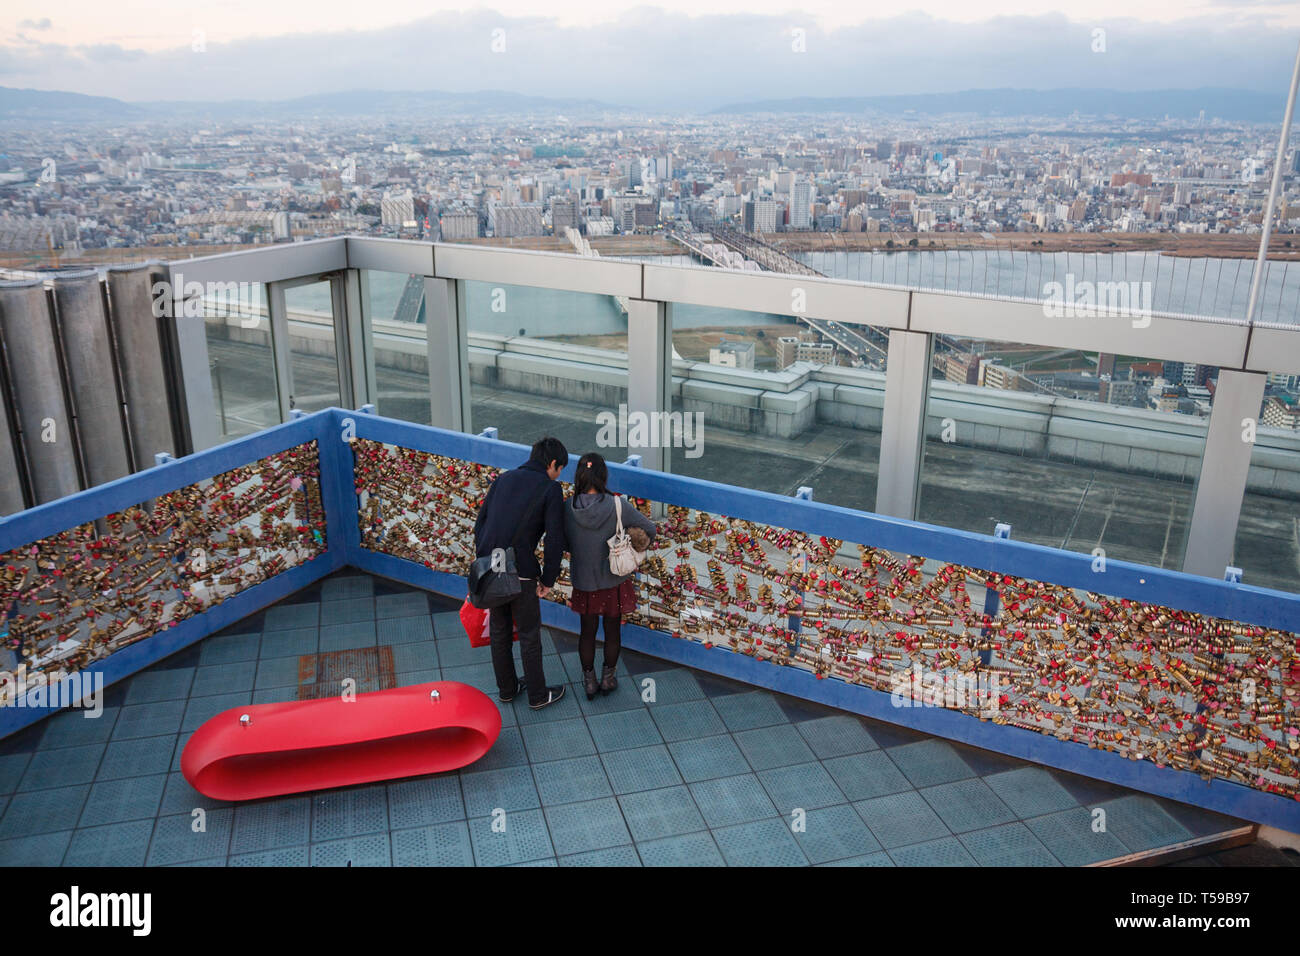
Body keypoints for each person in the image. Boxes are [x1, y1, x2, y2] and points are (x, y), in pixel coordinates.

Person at [473, 436, 569, 710]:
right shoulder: (550, 489)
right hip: (521, 571)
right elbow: (554, 539)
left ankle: (507, 689)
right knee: (528, 633)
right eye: (559, 468)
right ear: (552, 463)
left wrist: (487, 559)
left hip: (491, 567)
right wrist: (548, 578)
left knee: (500, 629)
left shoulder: (503, 479)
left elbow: (481, 525)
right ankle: (538, 695)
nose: (558, 474)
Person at [563, 452, 658, 700]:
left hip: (584, 582)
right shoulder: (617, 505)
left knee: (587, 632)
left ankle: (589, 681)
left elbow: (563, 541)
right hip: (613, 581)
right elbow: (650, 528)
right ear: (603, 475)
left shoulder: (568, 507)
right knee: (612, 631)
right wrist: (632, 542)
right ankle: (608, 678)